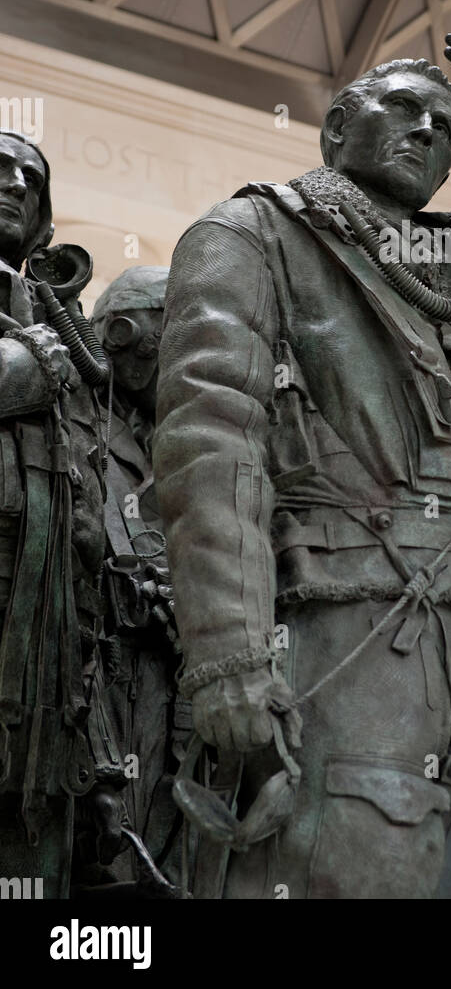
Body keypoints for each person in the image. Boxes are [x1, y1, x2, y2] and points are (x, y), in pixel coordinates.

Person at [154, 33, 451, 898]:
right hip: (339, 639)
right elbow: (210, 442)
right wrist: (228, 657)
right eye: (401, 110)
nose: (427, 129)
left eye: (445, 124)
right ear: (338, 126)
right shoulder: (255, 234)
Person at [0, 132, 122, 897]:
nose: (13, 184)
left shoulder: (41, 309)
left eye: (29, 179)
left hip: (49, 623)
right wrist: (42, 358)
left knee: (31, 831)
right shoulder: (51, 338)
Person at [92, 267, 186, 890]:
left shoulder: (186, 444)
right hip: (99, 682)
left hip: (171, 682)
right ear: (127, 338)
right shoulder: (78, 429)